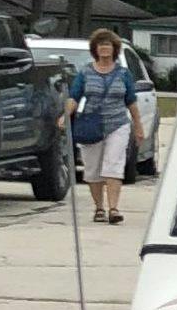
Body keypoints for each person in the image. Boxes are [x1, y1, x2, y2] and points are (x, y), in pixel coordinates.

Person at [61, 29, 144, 224]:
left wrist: (138, 126)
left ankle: (114, 209)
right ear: (95, 49)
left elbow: (131, 101)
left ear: (114, 49)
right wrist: (65, 114)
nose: (104, 48)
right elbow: (74, 96)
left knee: (113, 166)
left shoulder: (123, 74)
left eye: (108, 45)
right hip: (91, 125)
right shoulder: (86, 72)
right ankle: (99, 207)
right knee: (92, 170)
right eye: (101, 45)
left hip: (117, 124)